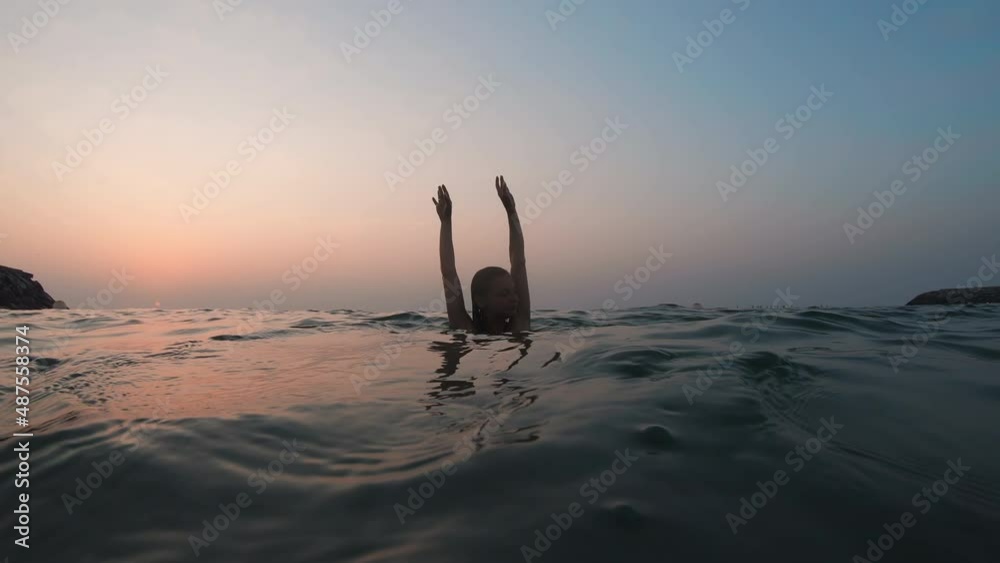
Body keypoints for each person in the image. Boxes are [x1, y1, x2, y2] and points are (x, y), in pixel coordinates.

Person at [432, 175, 530, 334]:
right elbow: (448, 272)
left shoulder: (519, 324)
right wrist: (445, 222)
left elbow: (519, 263)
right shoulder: (465, 328)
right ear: (480, 300)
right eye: (504, 294)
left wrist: (511, 211)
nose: (514, 298)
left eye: (514, 292)